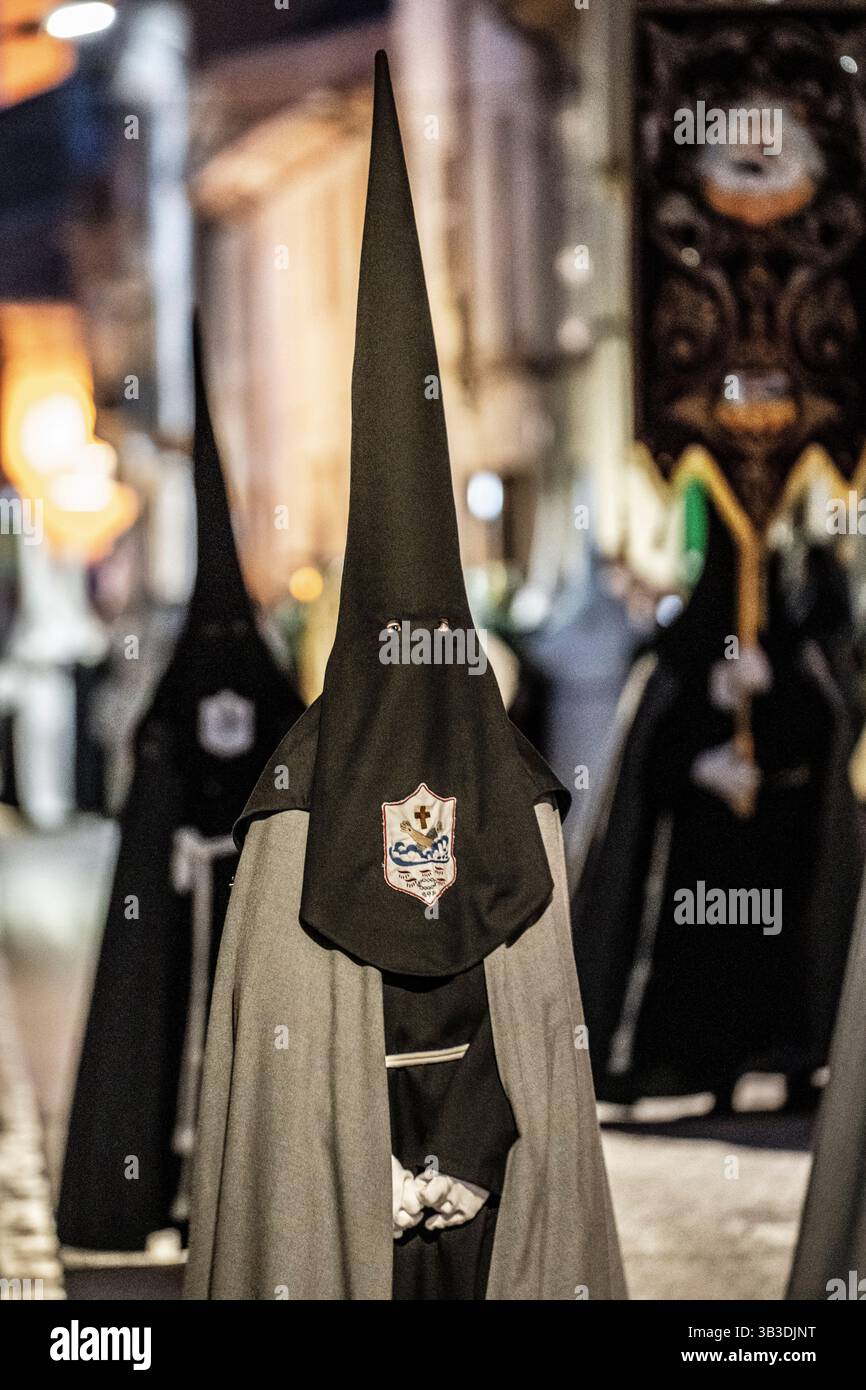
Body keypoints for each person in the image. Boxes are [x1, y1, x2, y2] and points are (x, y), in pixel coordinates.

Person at [184, 51, 624, 1302]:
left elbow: (534, 1029)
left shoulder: (440, 790)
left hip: (482, 1212)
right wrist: (373, 1163)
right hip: (358, 1201)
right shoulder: (306, 799)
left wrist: (472, 1154)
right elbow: (285, 1075)